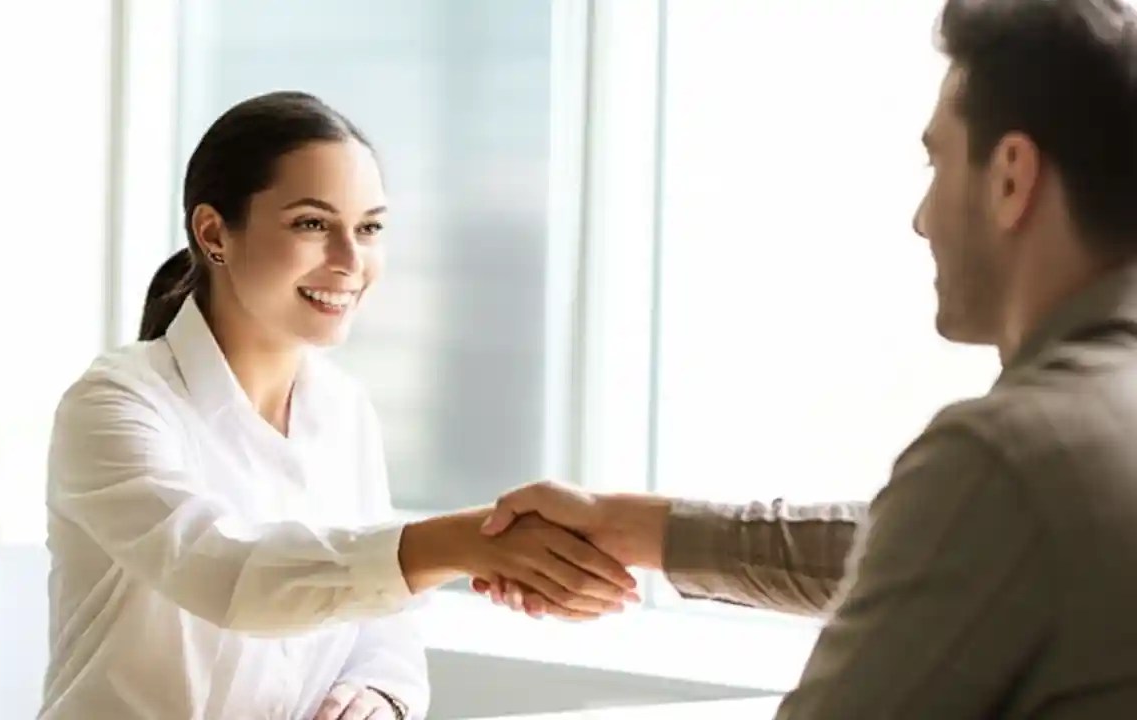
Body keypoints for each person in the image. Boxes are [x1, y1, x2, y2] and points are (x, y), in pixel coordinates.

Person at [479, 0, 1137, 716]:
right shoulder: (1074, 444)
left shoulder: (1008, 457)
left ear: (1011, 177)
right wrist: (634, 528)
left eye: (936, 160)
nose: (922, 219)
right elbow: (933, 552)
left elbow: (966, 529)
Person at [39, 91, 637, 720]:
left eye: (370, 227)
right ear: (214, 232)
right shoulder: (115, 403)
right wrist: (460, 543)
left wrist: (378, 695)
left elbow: (384, 624)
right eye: (312, 224)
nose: (351, 261)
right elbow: (226, 572)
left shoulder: (343, 408)